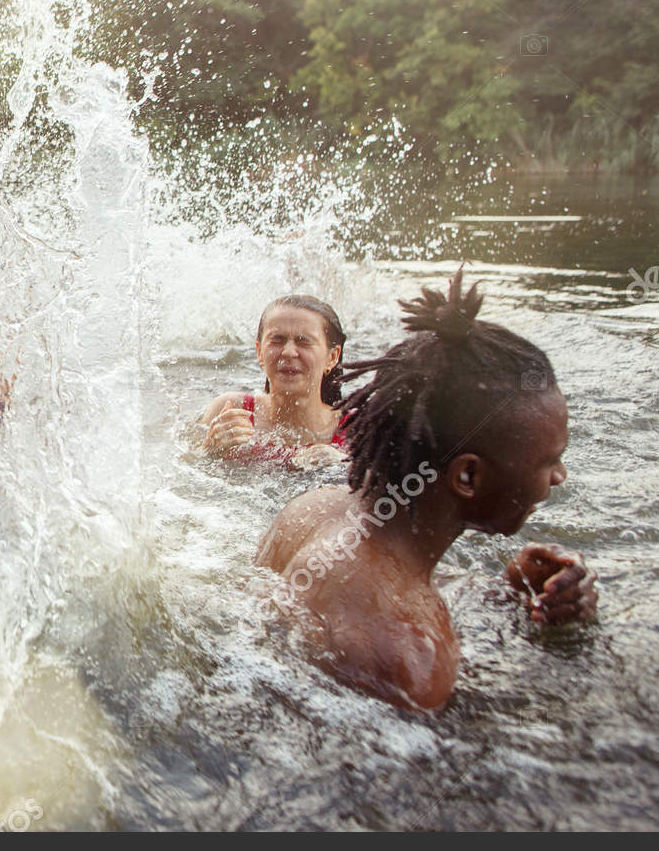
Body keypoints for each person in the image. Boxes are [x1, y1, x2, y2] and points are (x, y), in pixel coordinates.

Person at [254, 270, 598, 711]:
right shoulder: (408, 660)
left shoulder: (312, 510)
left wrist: (512, 593)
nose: (559, 477)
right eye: (549, 460)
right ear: (467, 478)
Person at [195, 294, 350, 469]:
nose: (288, 352)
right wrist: (209, 450)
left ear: (332, 357)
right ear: (259, 352)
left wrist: (344, 465)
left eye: (304, 342)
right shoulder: (231, 410)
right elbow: (185, 472)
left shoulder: (357, 430)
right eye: (277, 340)